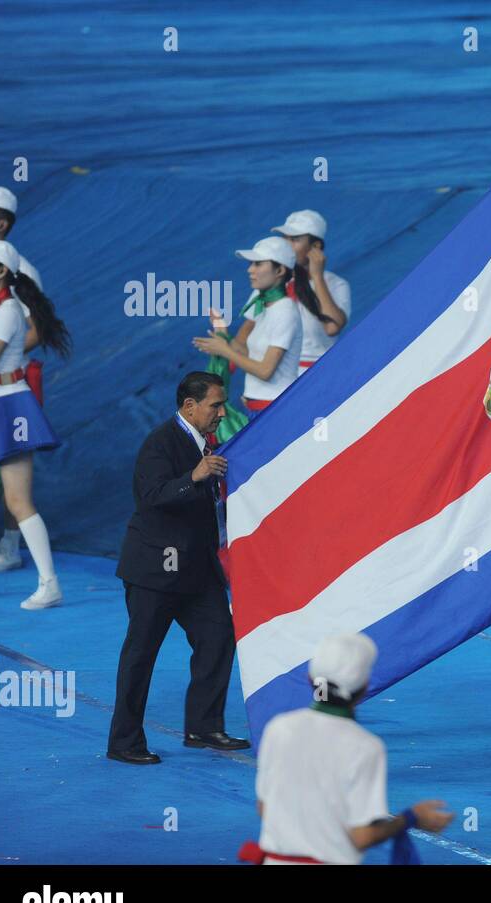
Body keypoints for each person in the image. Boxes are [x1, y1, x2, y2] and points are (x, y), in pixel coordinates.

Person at [107, 372, 248, 763]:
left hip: (197, 570)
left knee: (218, 637)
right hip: (155, 570)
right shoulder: (160, 444)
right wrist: (194, 476)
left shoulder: (206, 442)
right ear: (190, 406)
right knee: (140, 654)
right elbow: (151, 498)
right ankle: (124, 742)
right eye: (216, 405)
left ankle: (204, 727)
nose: (223, 412)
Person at [250, 632, 454, 865]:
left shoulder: (280, 728)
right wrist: (409, 818)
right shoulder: (364, 746)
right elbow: (362, 836)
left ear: (310, 678)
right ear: (364, 686)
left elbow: (265, 807)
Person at [0, 241, 65, 608]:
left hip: (11, 408)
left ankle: (50, 584)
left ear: (2, 272)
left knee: (17, 500)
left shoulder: (9, 310)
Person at [0, 186, 48, 574]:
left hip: (7, 380)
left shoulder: (21, 272)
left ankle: (10, 542)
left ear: (1, 224)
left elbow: (36, 329)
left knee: (8, 467)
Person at [192, 237, 301, 417]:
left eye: (258, 264)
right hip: (257, 409)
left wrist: (225, 350)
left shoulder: (285, 312)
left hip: (275, 410)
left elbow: (265, 371)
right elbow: (248, 356)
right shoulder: (265, 307)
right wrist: (223, 333)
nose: (250, 270)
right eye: (251, 264)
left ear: (280, 270)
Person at [270, 209, 351, 374]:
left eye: (294, 240)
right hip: (279, 376)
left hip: (319, 374)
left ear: (315, 246)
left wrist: (317, 276)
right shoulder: (271, 283)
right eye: (284, 239)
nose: (286, 246)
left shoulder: (336, 284)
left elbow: (332, 327)